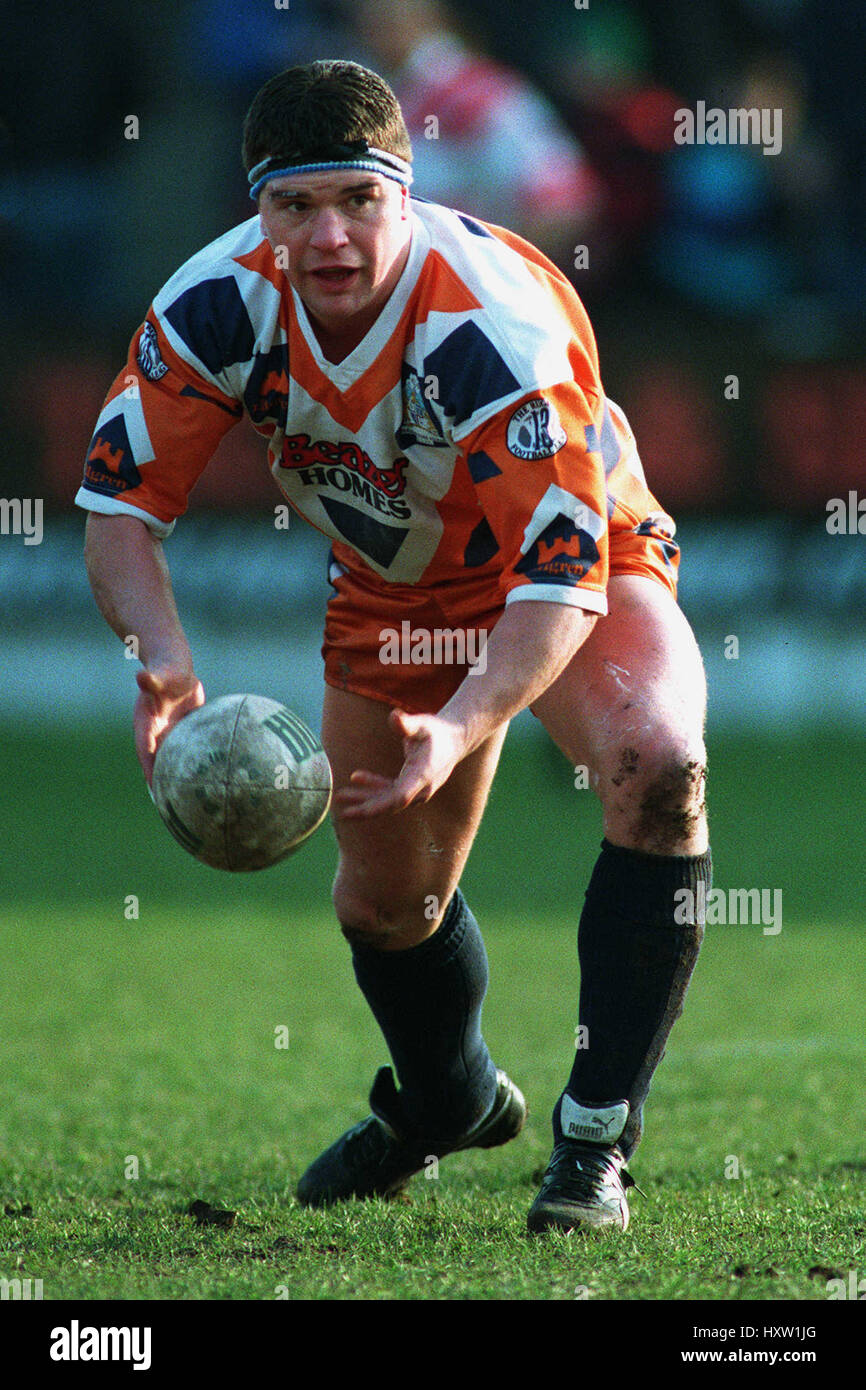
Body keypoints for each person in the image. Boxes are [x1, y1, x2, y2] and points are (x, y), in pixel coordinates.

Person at [77, 60, 711, 1235]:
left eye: (357, 201)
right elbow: (118, 508)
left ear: (403, 195)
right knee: (384, 910)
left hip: (574, 567)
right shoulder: (214, 303)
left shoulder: (489, 324)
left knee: (658, 767)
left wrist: (463, 721)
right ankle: (447, 1101)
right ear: (257, 210)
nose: (328, 236)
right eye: (294, 206)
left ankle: (591, 1141)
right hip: (392, 586)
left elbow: (559, 575)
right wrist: (159, 656)